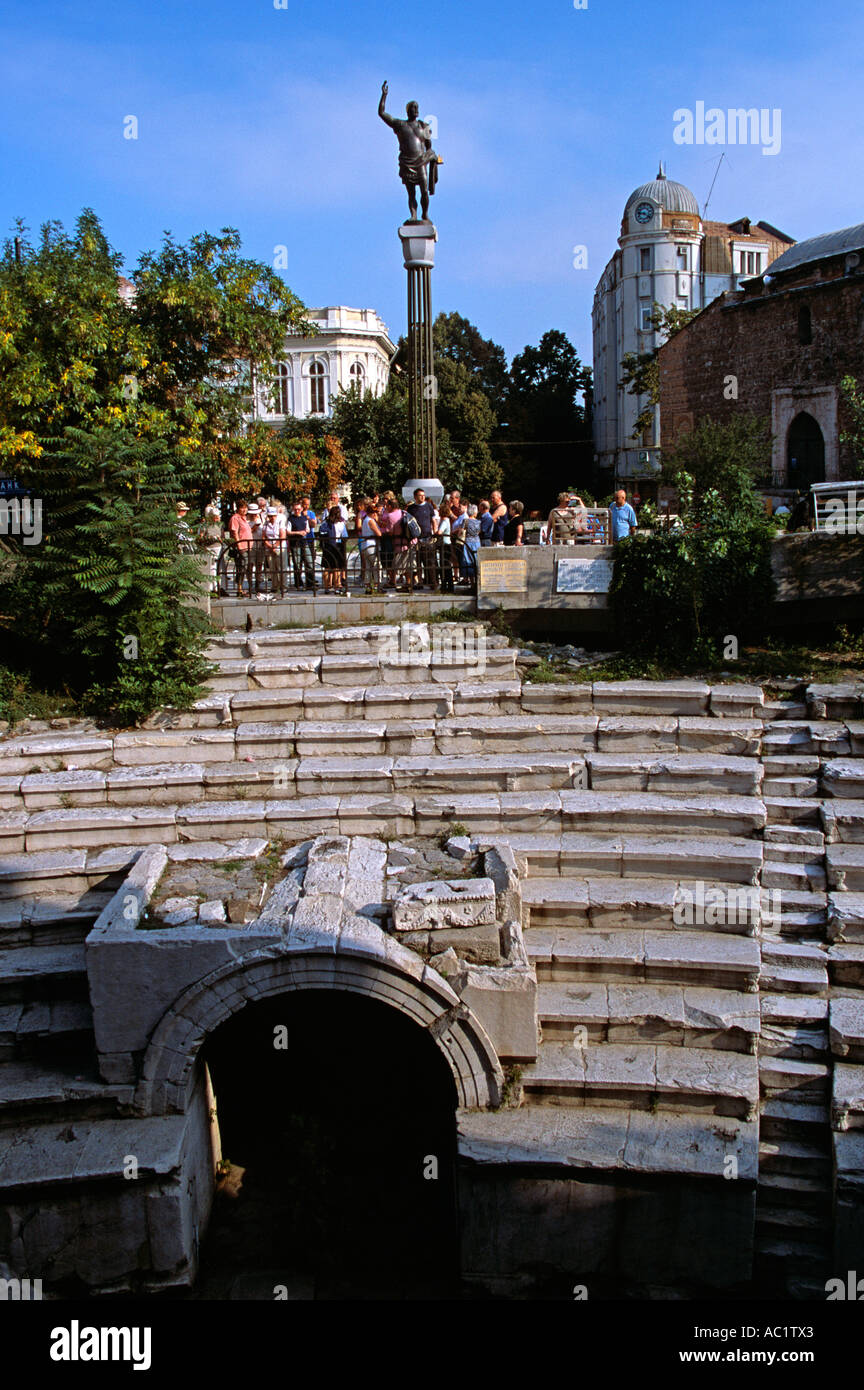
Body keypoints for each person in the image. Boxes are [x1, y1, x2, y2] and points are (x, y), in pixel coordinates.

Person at [407, 487, 438, 588]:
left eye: (423, 495)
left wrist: (435, 531)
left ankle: (432, 582)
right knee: (417, 563)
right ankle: (419, 582)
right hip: (416, 539)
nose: (423, 497)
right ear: (415, 497)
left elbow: (433, 520)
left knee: (430, 561)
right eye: (420, 495)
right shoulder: (411, 508)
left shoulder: (429, 506)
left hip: (428, 537)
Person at [319, 505, 348, 591]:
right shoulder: (331, 524)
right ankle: (332, 586)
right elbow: (345, 536)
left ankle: (332, 586)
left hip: (333, 547)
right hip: (333, 547)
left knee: (332, 567)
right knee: (332, 568)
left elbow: (345, 536)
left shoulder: (335, 523)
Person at [378, 491, 403, 586]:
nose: (385, 500)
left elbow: (392, 523)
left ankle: (393, 579)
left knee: (390, 557)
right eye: (384, 498)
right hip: (383, 534)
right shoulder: (384, 510)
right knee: (384, 559)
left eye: (386, 499)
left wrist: (383, 523)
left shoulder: (393, 511)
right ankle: (390, 578)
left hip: (391, 535)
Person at [288, 501, 314, 590]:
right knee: (297, 564)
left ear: (301, 509)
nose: (297, 511)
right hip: (295, 543)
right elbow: (288, 531)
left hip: (304, 542)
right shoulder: (290, 519)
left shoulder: (304, 518)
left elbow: (308, 529)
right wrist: (298, 532)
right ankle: (298, 583)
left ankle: (310, 583)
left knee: (309, 562)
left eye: (299, 509)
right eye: (295, 509)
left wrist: (306, 531)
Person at [229, 500, 253, 597]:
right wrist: (239, 545)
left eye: (245, 507)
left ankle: (243, 588)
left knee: (246, 567)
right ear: (238, 508)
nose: (244, 510)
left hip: (248, 547)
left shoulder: (244, 518)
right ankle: (239, 589)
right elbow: (234, 532)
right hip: (241, 547)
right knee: (241, 567)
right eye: (242, 508)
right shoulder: (235, 518)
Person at [262, 506, 286, 596]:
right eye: (270, 516)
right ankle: (274, 586)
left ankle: (283, 586)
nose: (272, 518)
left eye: (273, 516)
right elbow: (264, 536)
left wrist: (275, 545)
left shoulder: (280, 522)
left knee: (281, 567)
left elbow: (282, 535)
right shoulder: (266, 524)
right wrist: (270, 546)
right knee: (272, 568)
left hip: (279, 547)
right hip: (269, 548)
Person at [360, 500, 382, 591]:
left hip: (365, 545)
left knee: (368, 566)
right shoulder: (371, 521)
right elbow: (379, 534)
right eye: (375, 512)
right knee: (377, 565)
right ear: (372, 513)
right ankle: (377, 585)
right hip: (371, 545)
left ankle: (367, 585)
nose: (376, 514)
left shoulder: (365, 520)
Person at [437, 499, 455, 592]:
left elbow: (440, 532)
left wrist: (436, 532)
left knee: (445, 566)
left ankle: (447, 585)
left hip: (445, 545)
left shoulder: (444, 521)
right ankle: (448, 585)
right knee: (446, 566)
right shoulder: (447, 520)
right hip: (447, 544)